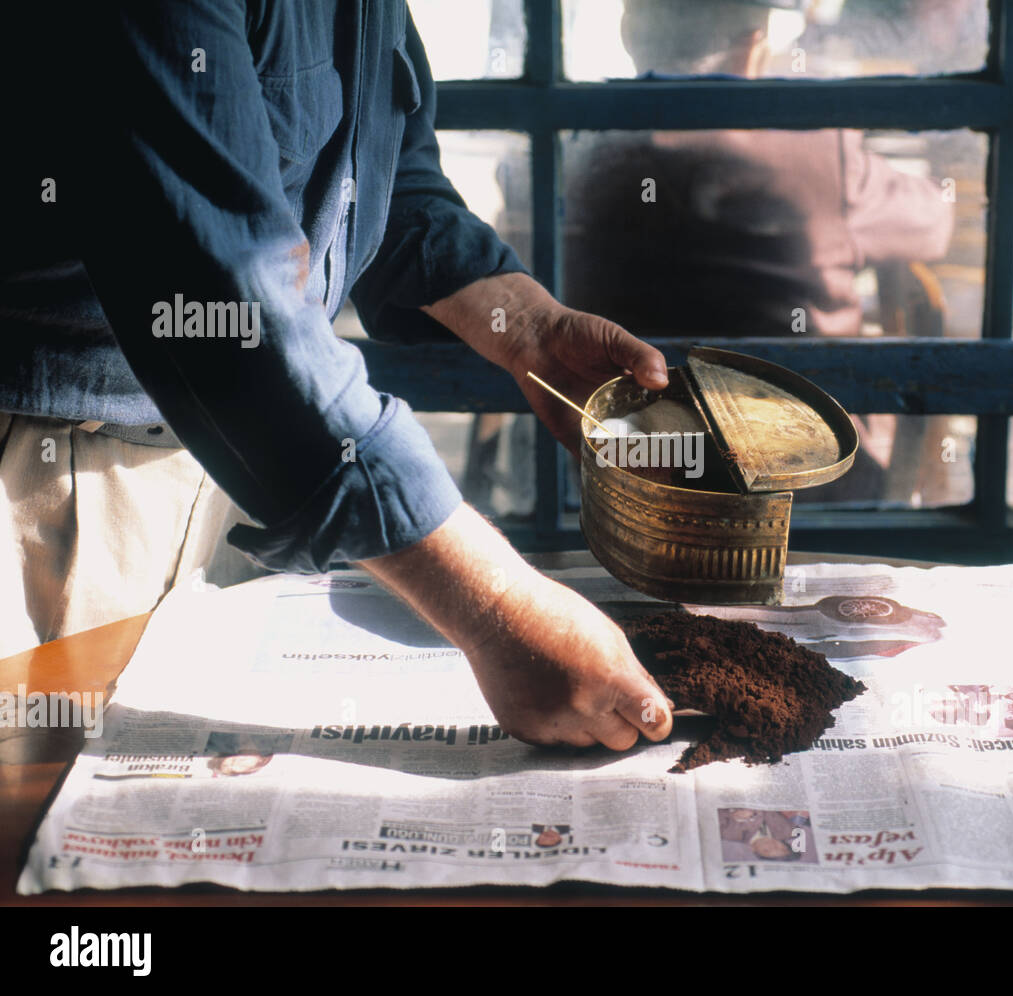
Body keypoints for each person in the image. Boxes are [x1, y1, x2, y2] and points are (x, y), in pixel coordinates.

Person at [0, 2, 673, 752]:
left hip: (234, 471)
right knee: (32, 813)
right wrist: (497, 606)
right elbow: (220, 301)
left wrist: (529, 329)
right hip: (47, 483)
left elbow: (378, 173)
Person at [561, 0, 954, 501]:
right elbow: (934, 222)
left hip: (621, 479)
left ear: (628, 34)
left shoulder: (575, 149)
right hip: (807, 486)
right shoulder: (821, 149)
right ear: (752, 50)